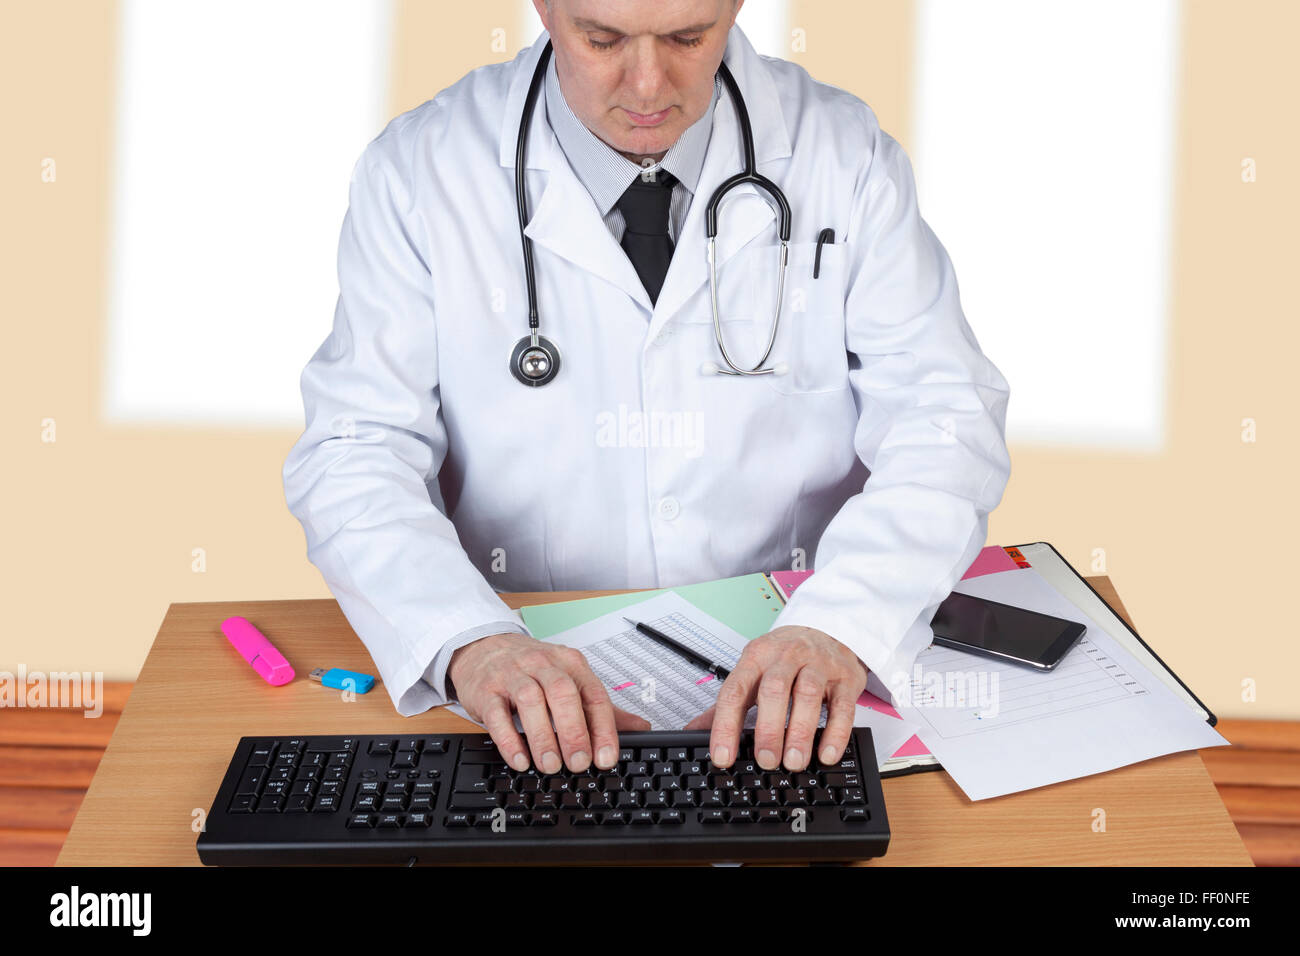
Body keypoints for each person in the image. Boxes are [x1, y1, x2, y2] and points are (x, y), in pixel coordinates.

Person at [283, 0, 1011, 779]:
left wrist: (846, 622)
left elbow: (944, 418)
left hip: (791, 655)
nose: (648, 83)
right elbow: (356, 450)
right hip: (532, 671)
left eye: (687, 38)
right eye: (603, 40)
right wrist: (470, 640)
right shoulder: (421, 170)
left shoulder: (844, 154)